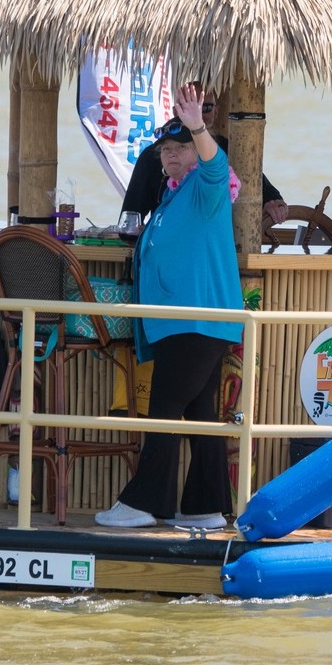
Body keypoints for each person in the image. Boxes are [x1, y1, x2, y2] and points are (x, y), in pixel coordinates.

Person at [96, 82, 243, 529]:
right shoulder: (172, 194)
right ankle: (207, 508)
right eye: (165, 149)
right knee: (199, 415)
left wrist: (198, 126)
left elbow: (217, 166)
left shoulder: (206, 185)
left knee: (164, 408)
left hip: (198, 320)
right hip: (182, 323)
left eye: (181, 147)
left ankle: (145, 504)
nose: (171, 154)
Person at [121, 87, 289, 228]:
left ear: (216, 111)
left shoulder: (228, 151)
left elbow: (266, 192)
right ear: (175, 112)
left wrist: (274, 202)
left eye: (206, 107)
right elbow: (130, 217)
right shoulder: (152, 156)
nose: (197, 114)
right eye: (167, 149)